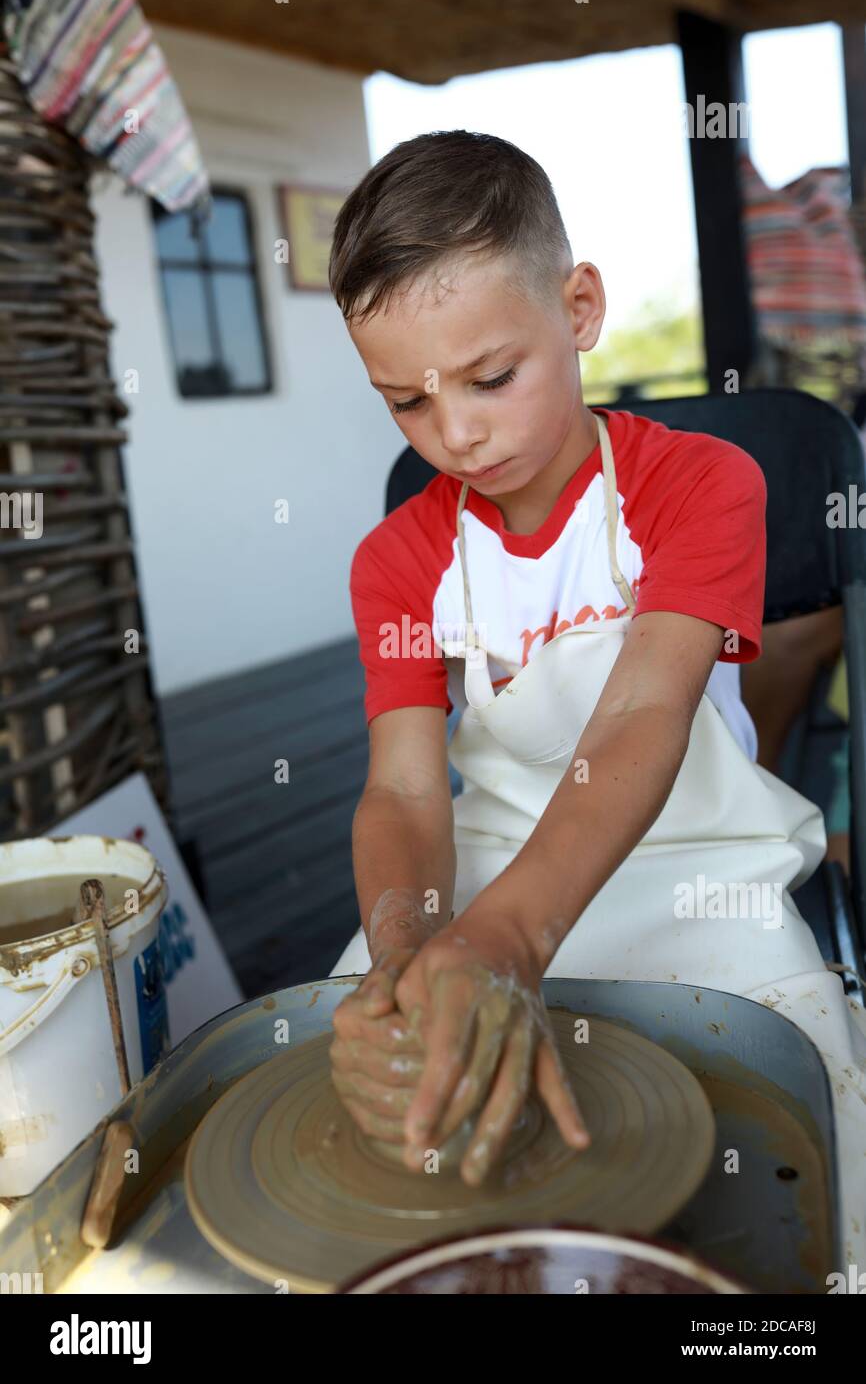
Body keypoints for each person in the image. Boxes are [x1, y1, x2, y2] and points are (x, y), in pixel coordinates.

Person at [326, 131, 866, 1262]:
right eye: (405, 405)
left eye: (487, 380)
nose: (456, 433)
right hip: (472, 867)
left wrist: (514, 939)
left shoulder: (698, 485)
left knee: (815, 1130)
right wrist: (403, 952)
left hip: (694, 866)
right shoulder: (398, 561)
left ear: (576, 309)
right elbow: (407, 794)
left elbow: (638, 717)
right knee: (348, 1095)